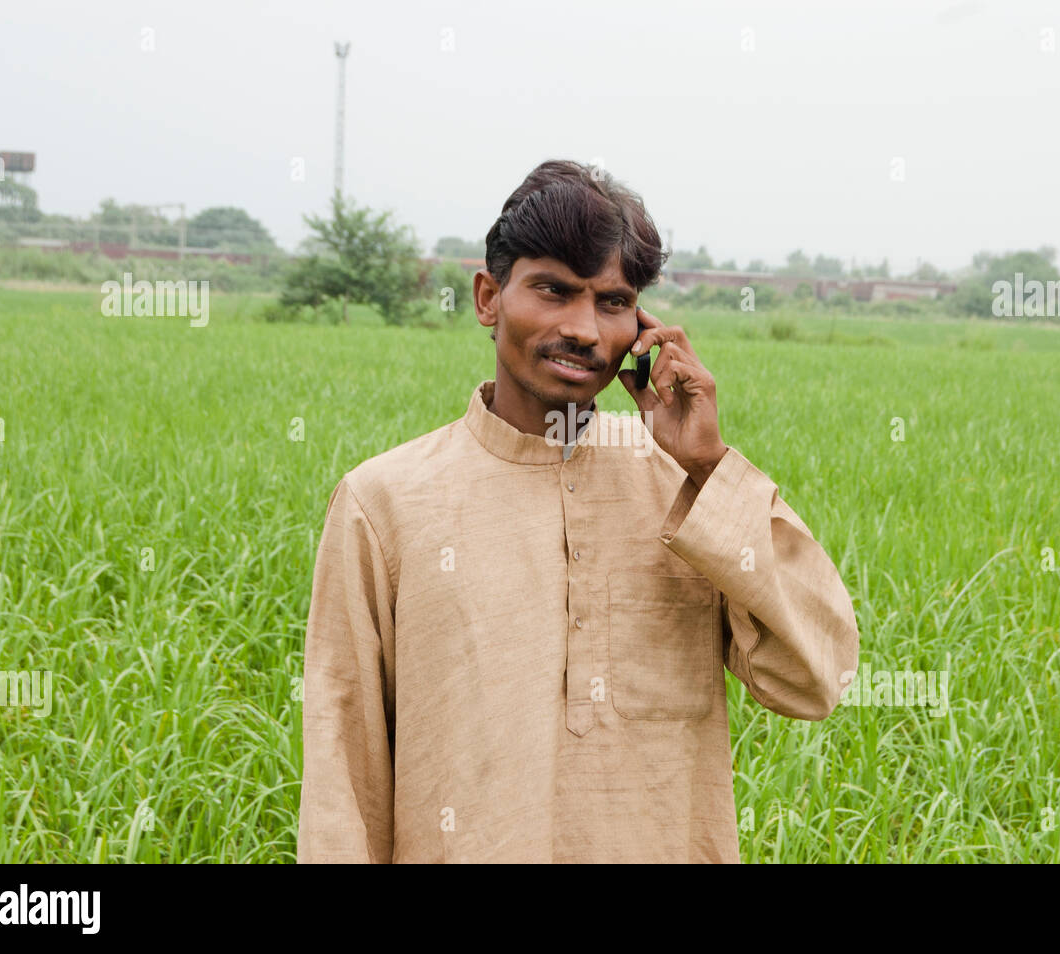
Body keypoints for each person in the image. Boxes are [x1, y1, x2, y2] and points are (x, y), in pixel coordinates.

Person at [296, 159, 859, 863]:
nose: (584, 329)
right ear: (488, 298)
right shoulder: (384, 503)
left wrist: (709, 467)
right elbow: (342, 774)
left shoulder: (686, 491)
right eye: (553, 290)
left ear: (643, 327)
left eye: (613, 301)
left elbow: (816, 679)